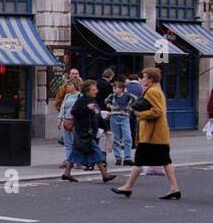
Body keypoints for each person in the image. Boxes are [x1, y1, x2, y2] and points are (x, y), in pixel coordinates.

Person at [113, 68, 181, 200]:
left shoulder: (153, 92)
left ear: (151, 79)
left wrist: (140, 115)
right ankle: (174, 188)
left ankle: (128, 187)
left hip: (152, 135)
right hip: (158, 135)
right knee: (165, 161)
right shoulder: (154, 90)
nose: (142, 79)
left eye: (144, 77)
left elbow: (157, 111)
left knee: (139, 161)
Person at [63, 80, 113, 183]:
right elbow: (74, 112)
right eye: (93, 89)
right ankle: (105, 174)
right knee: (97, 152)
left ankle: (67, 173)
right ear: (87, 91)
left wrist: (106, 128)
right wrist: (86, 108)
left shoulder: (94, 101)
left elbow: (98, 117)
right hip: (84, 131)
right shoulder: (82, 100)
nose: (96, 91)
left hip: (90, 131)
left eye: (96, 89)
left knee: (75, 153)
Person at [105, 79, 137, 167]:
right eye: (113, 88)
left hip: (124, 117)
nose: (114, 90)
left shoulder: (128, 96)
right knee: (116, 138)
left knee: (128, 138)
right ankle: (118, 157)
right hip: (114, 116)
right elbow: (106, 101)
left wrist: (129, 110)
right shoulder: (112, 96)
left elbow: (135, 100)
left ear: (121, 89)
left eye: (116, 88)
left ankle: (127, 157)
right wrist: (110, 106)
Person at [57, 77, 82, 170]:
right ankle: (68, 160)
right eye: (68, 85)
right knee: (68, 143)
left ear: (75, 86)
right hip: (66, 120)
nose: (68, 87)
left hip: (75, 121)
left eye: (70, 85)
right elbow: (62, 108)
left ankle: (78, 161)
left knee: (76, 142)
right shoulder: (67, 96)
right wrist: (59, 120)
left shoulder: (80, 96)